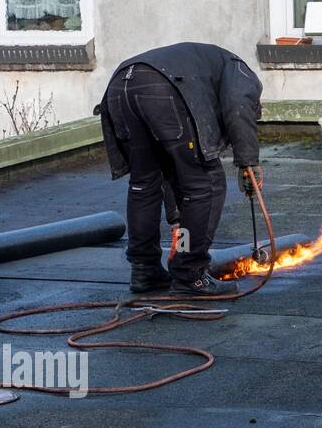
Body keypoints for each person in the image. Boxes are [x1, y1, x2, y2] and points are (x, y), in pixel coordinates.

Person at [98, 42, 263, 296]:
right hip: (161, 89)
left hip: (120, 86)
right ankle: (189, 272)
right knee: (206, 183)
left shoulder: (205, 66)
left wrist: (179, 222)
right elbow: (238, 107)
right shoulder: (241, 72)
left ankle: (145, 271)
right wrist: (248, 161)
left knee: (144, 184)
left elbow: (173, 175)